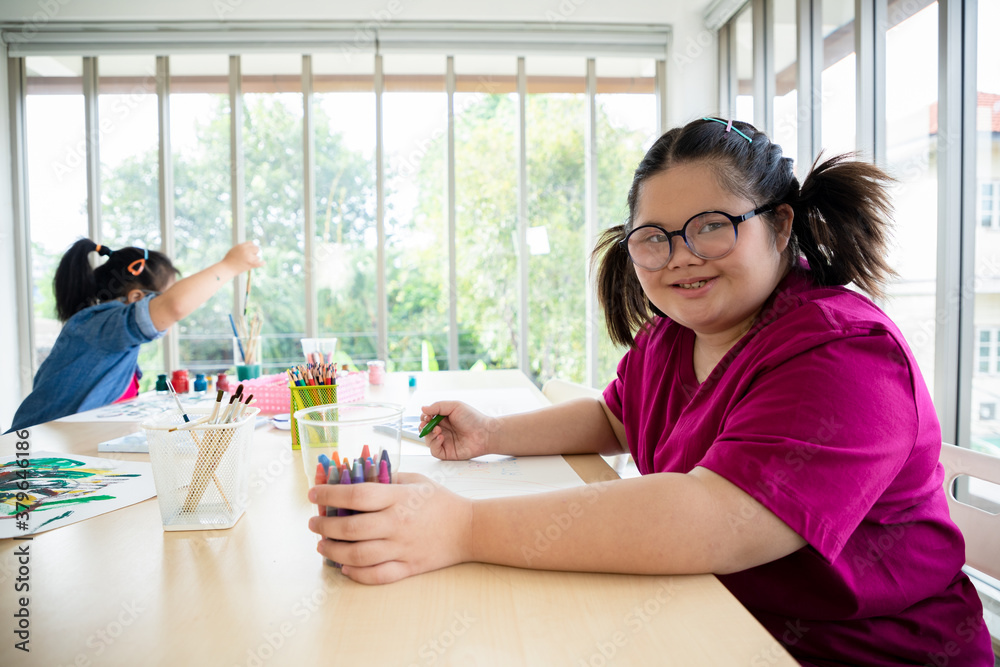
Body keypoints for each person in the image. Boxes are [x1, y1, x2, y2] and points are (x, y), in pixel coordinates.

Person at [306, 118, 993, 665]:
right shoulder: (676, 333)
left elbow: (714, 520)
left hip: (849, 651)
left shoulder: (843, 356)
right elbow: (616, 416)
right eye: (653, 238)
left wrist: (460, 526)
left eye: (713, 226)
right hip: (708, 618)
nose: (681, 256)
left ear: (781, 225)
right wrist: (492, 432)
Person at [8, 239, 263, 431]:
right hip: (28, 453)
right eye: (164, 296)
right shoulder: (100, 325)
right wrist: (230, 265)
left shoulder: (111, 336)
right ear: (137, 298)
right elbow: (175, 306)